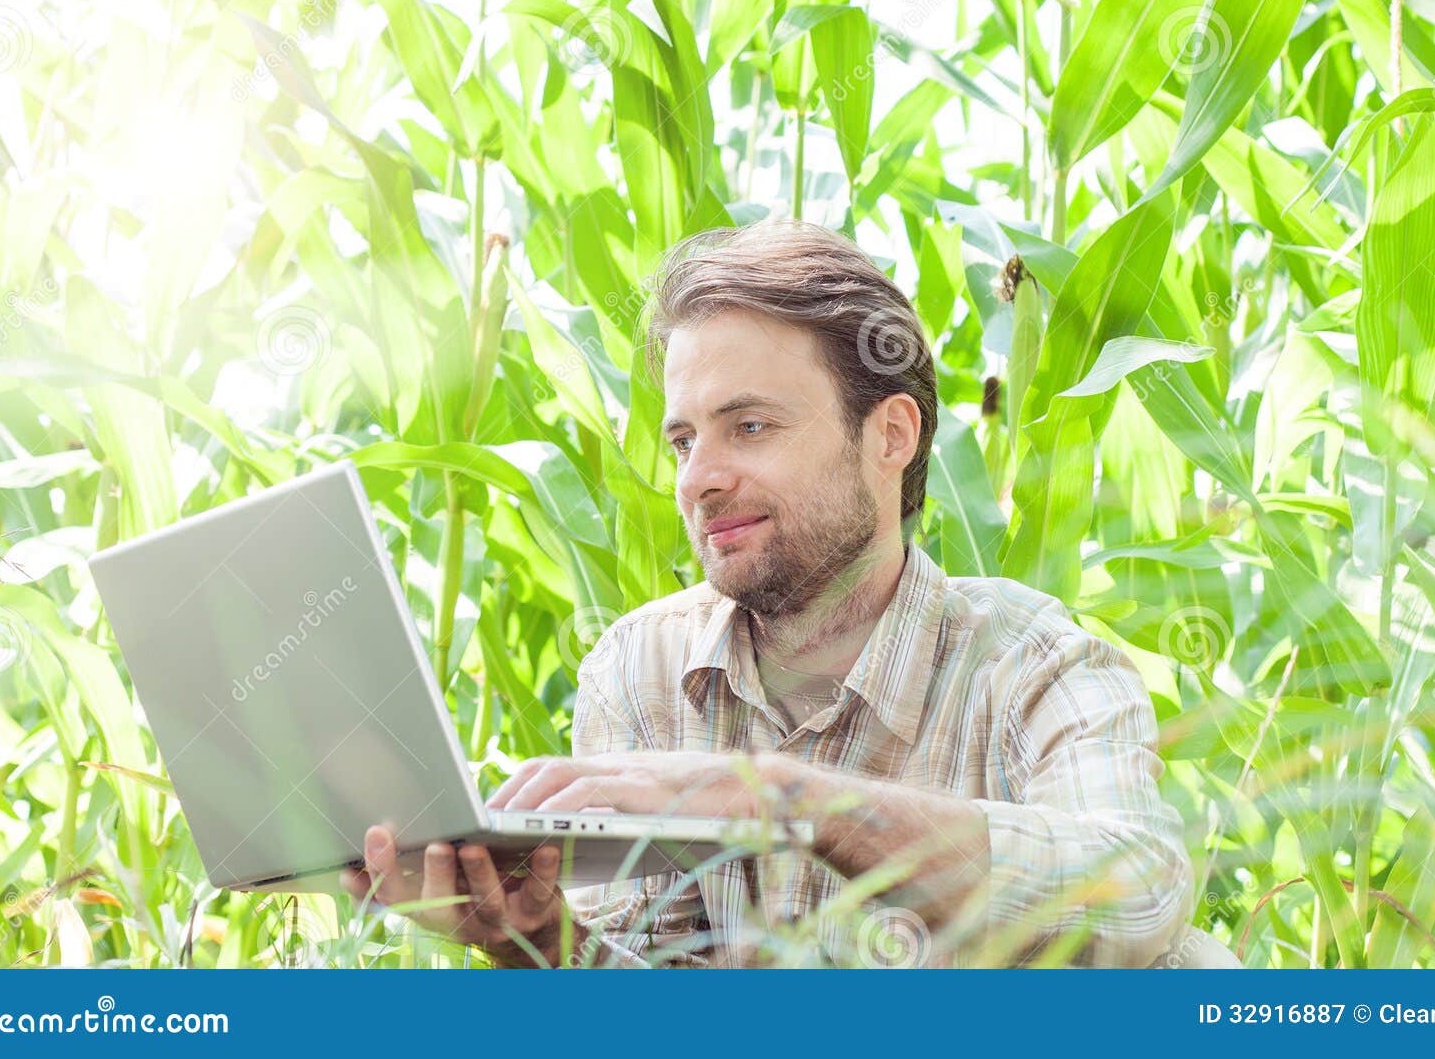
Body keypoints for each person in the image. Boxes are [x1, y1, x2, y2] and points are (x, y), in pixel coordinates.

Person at [341, 220, 1192, 967]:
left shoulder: (1034, 664)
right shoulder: (639, 671)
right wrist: (542, 943)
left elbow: (1140, 899)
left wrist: (781, 798)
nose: (699, 481)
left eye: (749, 427)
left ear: (890, 435)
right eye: (683, 439)